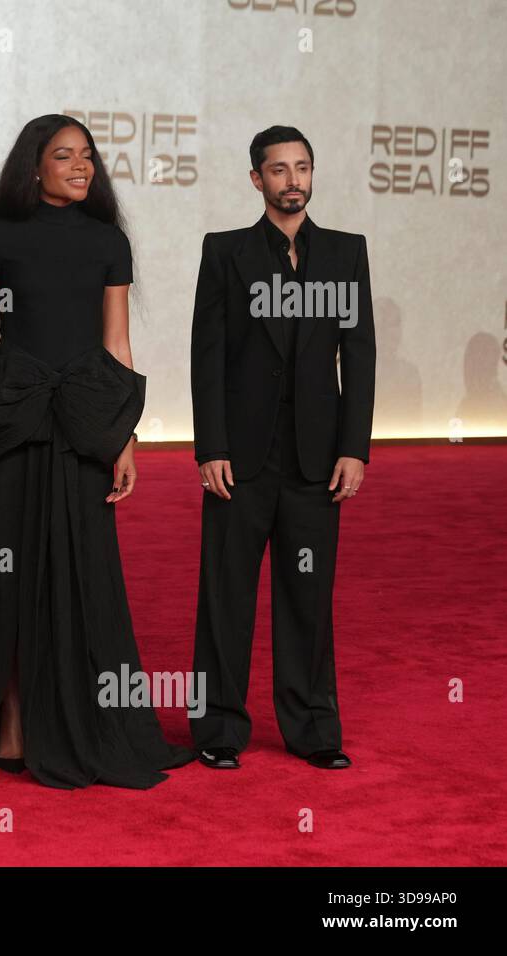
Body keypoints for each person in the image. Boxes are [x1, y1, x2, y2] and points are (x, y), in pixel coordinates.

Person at [0, 115, 194, 789]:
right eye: (65, 156)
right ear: (34, 168)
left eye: (87, 156)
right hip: (15, 419)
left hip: (85, 421)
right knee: (11, 574)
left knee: (86, 574)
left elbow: (116, 345)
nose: (82, 167)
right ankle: (15, 727)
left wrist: (125, 436)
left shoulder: (109, 240)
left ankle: (79, 720)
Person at [189, 125, 375, 770]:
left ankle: (314, 729)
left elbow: (359, 352)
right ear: (256, 180)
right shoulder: (226, 252)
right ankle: (217, 729)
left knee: (308, 595)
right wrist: (209, 445)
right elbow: (206, 357)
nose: (292, 180)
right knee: (226, 594)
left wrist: (356, 447)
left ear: (313, 174)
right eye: (278, 170)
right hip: (239, 458)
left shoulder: (346, 253)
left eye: (302, 168)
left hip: (316, 460)